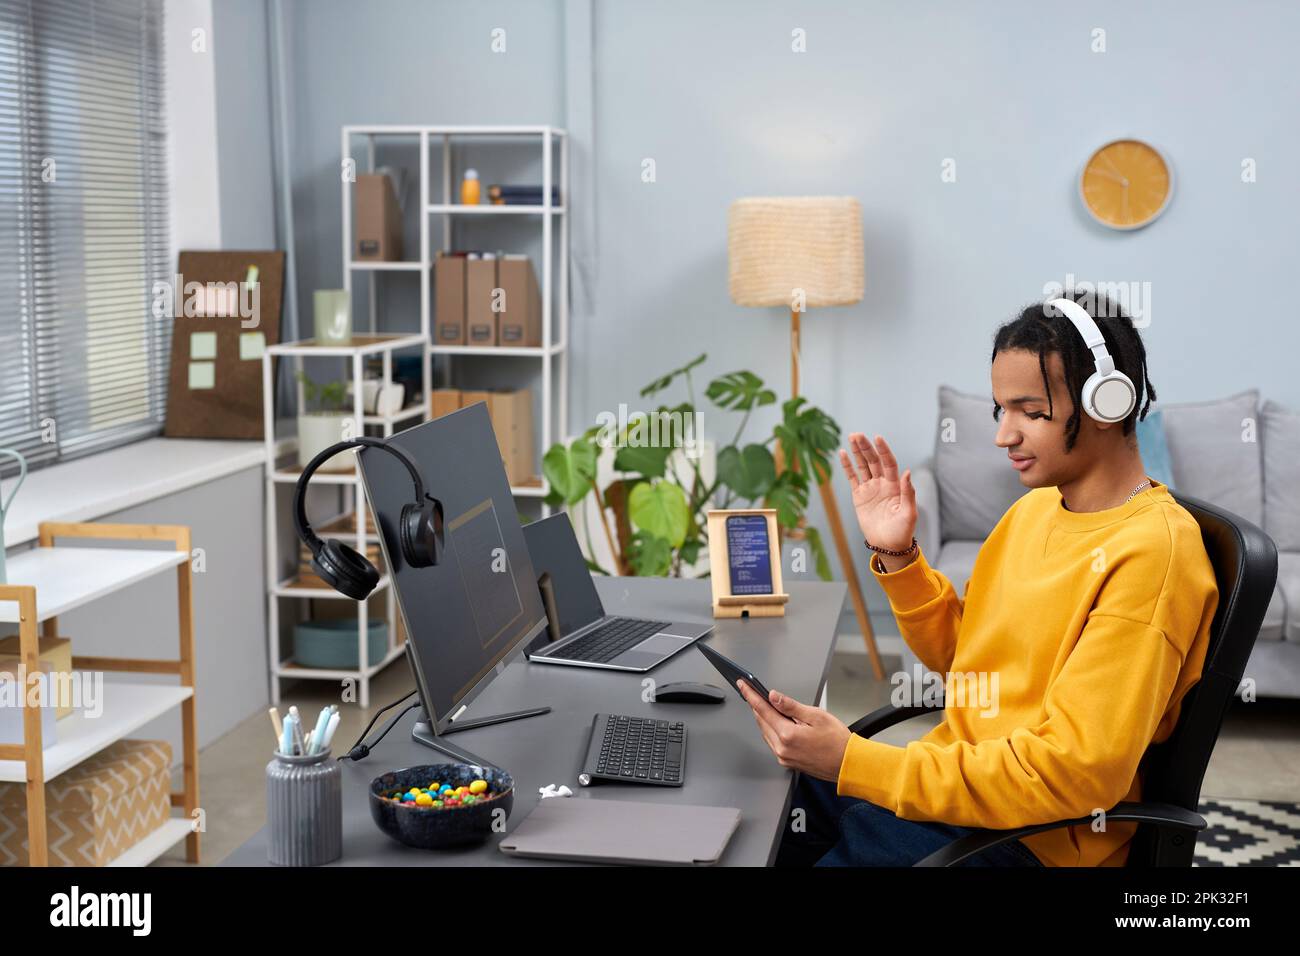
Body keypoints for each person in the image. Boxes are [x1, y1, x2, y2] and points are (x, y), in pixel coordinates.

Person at [741, 289, 1220, 867]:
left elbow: (1076, 775)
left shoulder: (1153, 554)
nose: (1004, 435)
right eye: (1001, 410)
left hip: (1027, 841)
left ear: (1107, 404)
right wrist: (898, 556)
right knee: (758, 799)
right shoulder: (1036, 510)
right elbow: (968, 660)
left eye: (1031, 412)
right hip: (959, 796)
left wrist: (855, 762)